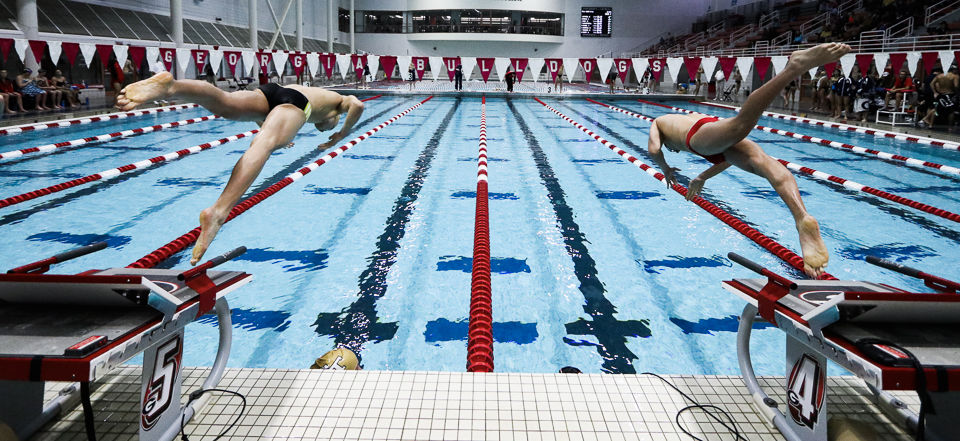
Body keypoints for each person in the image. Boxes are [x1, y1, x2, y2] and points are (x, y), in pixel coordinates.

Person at [116, 71, 365, 265]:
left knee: (225, 103)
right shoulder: (339, 102)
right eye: (325, 127)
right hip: (297, 103)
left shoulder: (316, 97)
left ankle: (172, 87)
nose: (323, 128)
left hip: (273, 93)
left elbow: (271, 115)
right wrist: (342, 133)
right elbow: (359, 106)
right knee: (264, 144)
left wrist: (274, 129)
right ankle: (218, 211)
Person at [646, 43, 849, 278]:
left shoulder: (658, 121)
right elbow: (724, 159)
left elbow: (653, 150)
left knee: (742, 122)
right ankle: (802, 217)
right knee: (771, 169)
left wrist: (666, 169)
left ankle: (793, 68)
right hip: (711, 141)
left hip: (697, 138)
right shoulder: (682, 117)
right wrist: (701, 177)